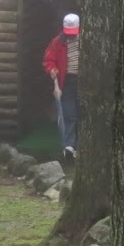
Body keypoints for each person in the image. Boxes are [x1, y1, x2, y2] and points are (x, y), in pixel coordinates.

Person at [41, 12, 80, 162]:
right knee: (69, 113)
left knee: (83, 113)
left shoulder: (87, 39)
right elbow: (48, 60)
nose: (70, 35)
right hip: (67, 80)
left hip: (84, 80)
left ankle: (82, 145)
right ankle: (69, 146)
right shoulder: (57, 42)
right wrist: (52, 69)